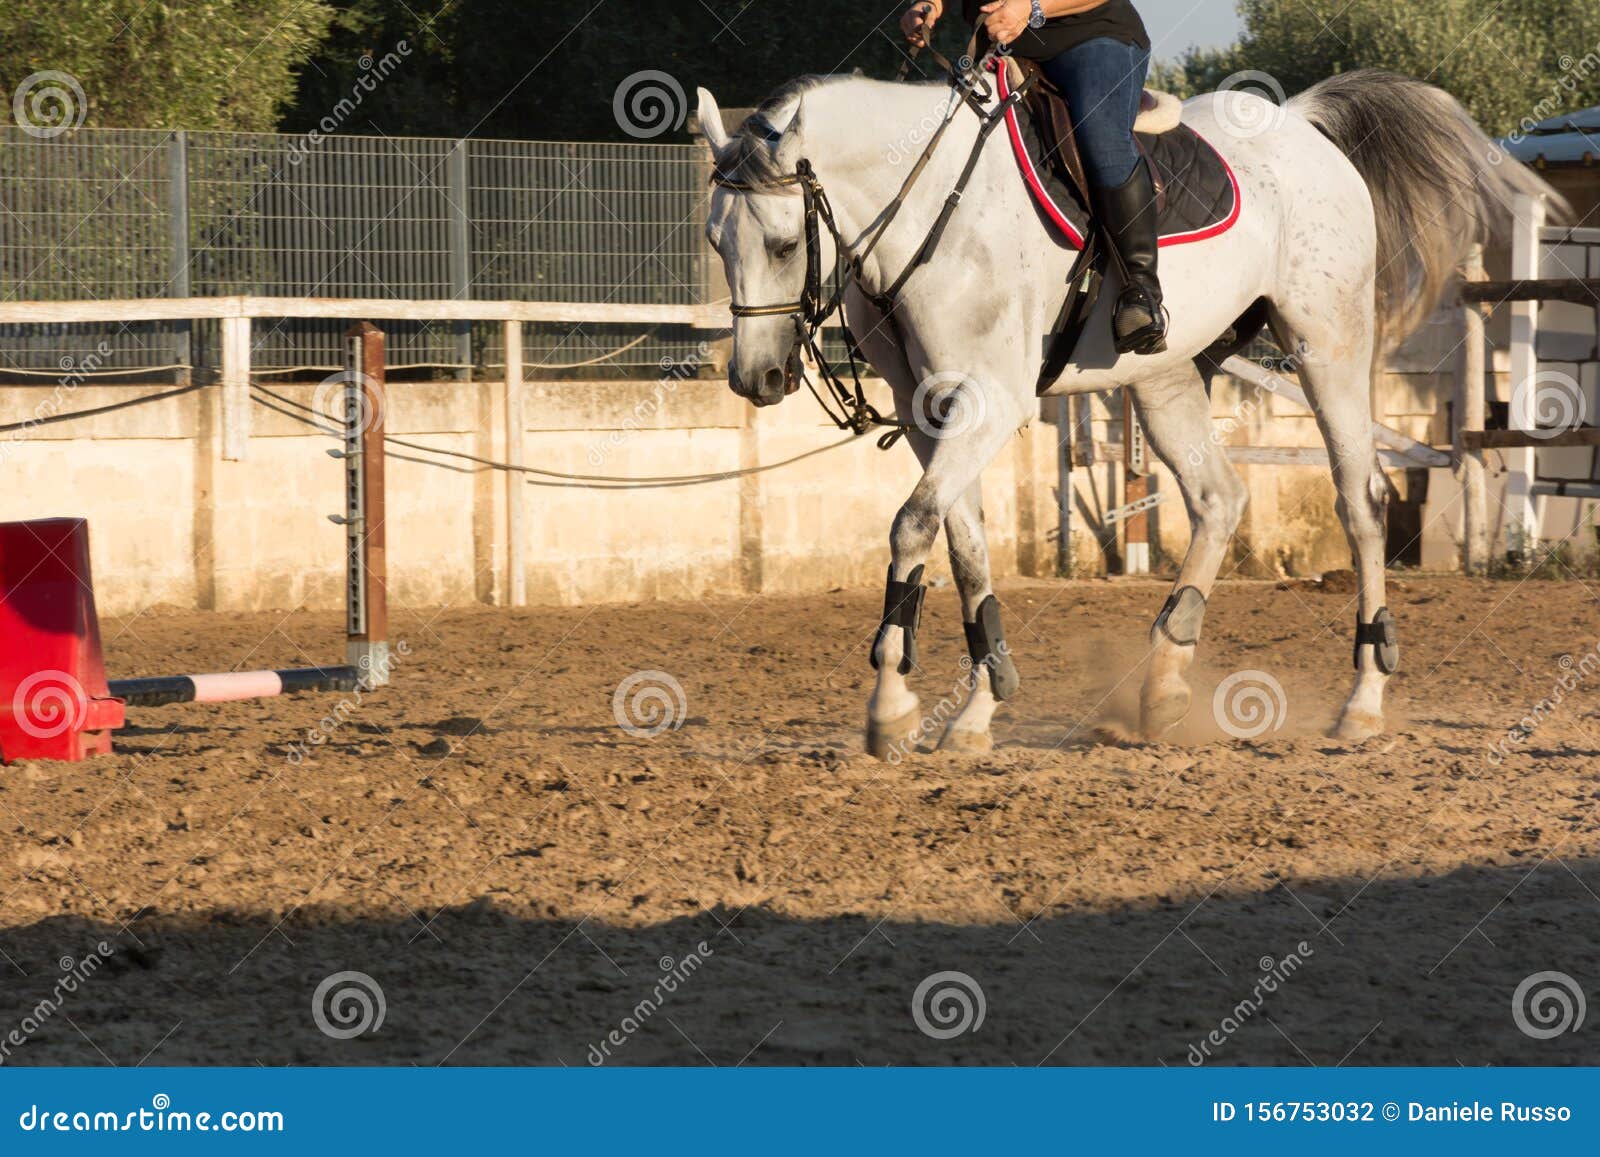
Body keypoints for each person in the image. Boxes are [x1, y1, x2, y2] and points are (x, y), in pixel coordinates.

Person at [901, 0, 1167, 355]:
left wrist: (1033, 7)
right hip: (1000, 48)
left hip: (1094, 38)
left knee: (1100, 136)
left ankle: (1141, 289)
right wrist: (928, 5)